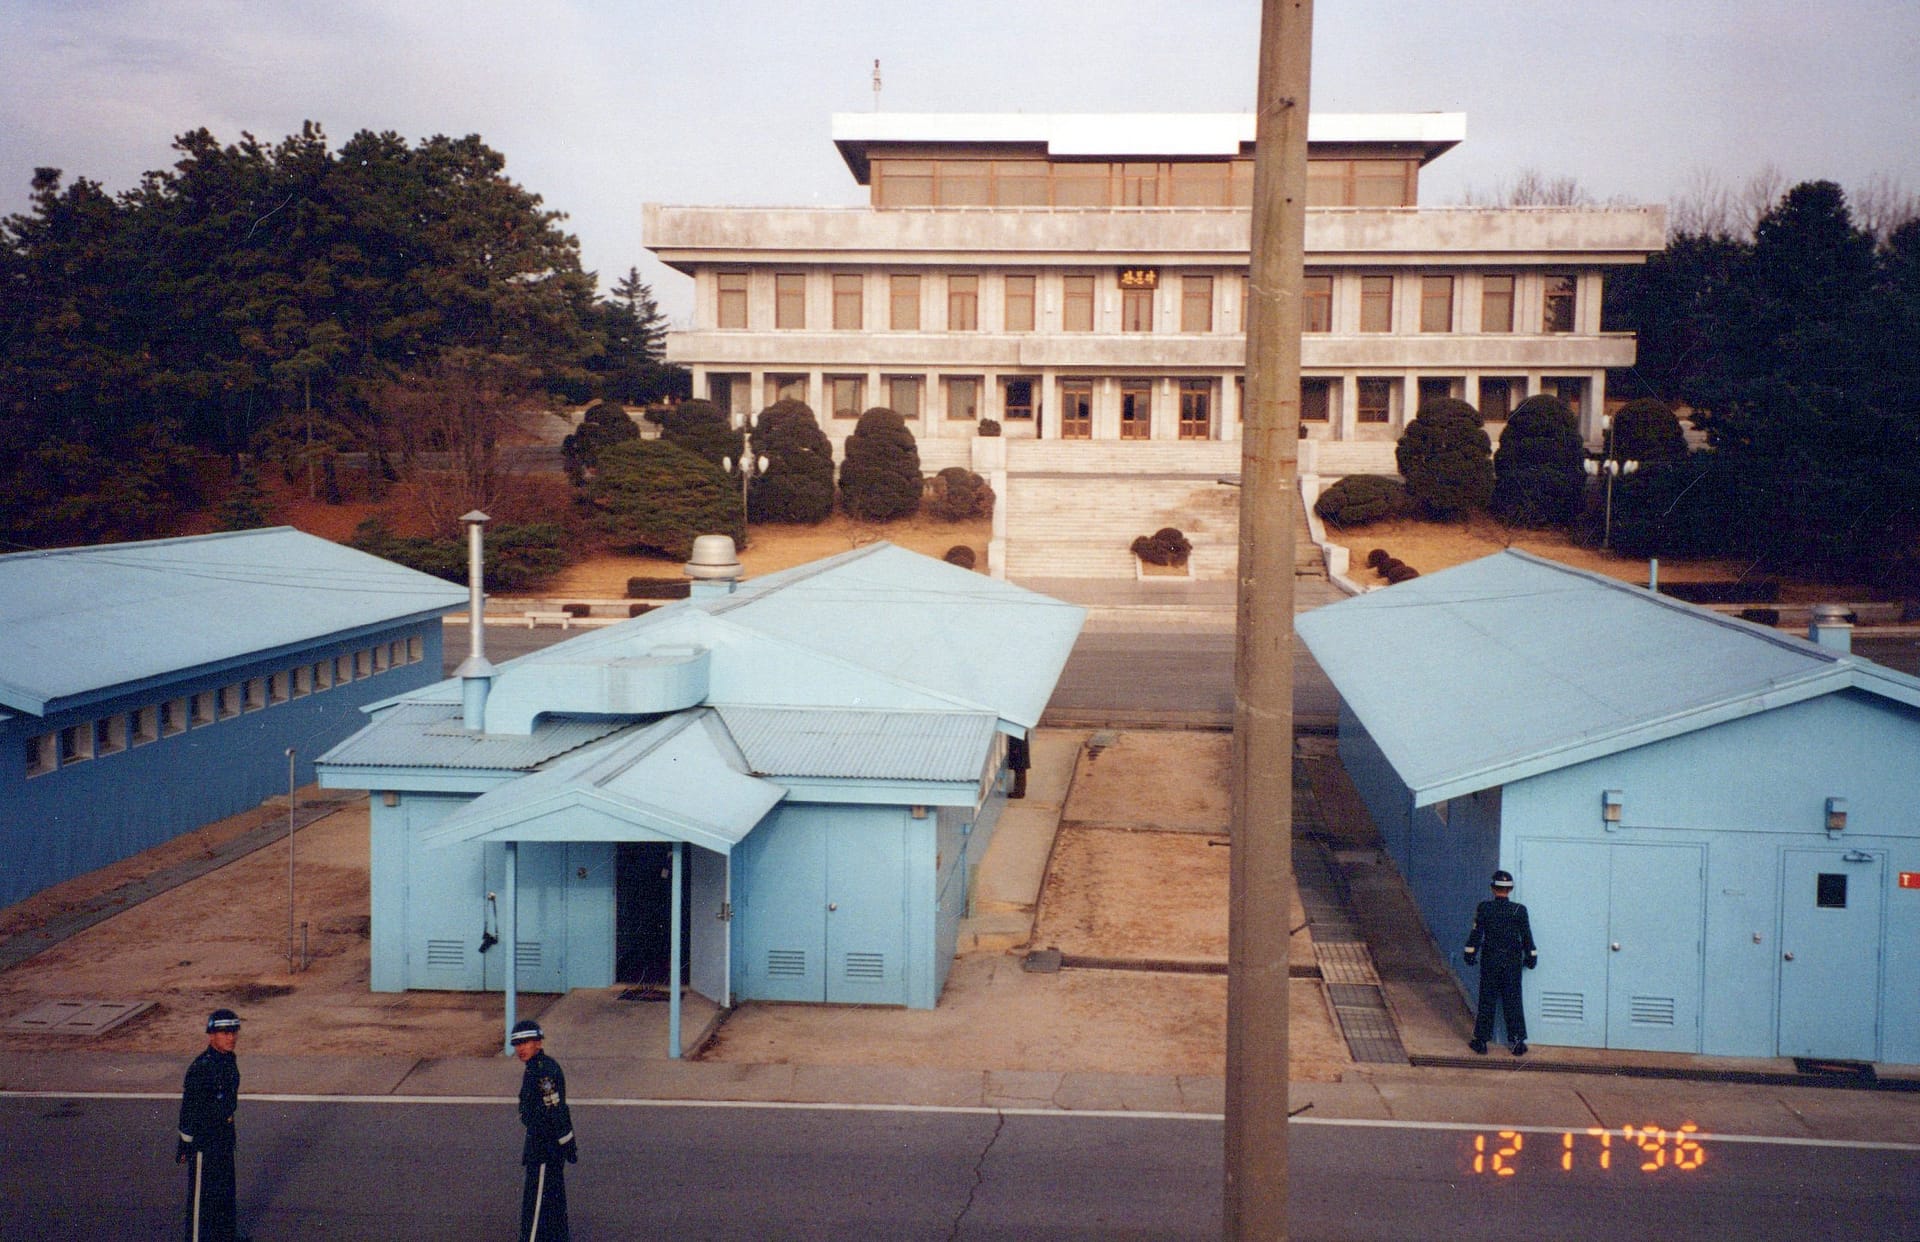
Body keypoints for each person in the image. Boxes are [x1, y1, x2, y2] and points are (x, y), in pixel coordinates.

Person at [177, 1008, 247, 1242]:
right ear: (211, 1035)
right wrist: (185, 1143)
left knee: (225, 1195)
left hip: (224, 1140)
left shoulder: (228, 1060)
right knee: (201, 1201)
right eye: (225, 1033)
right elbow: (189, 1110)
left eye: (233, 1032)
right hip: (204, 1144)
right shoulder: (201, 1068)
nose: (231, 1037)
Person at [511, 1019, 578, 1241]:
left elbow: (555, 1111)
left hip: (543, 1148)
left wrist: (565, 1141)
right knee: (554, 1200)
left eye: (526, 1042)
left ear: (539, 1043)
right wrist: (567, 1144)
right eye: (517, 1044)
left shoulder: (542, 1073)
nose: (520, 1048)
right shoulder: (540, 1067)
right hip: (551, 1147)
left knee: (536, 1203)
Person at [1463, 870, 1537, 1056]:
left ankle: (1481, 1042)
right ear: (1510, 889)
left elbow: (1476, 934)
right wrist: (1531, 956)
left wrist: (1470, 953)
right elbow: (1527, 936)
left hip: (1491, 960)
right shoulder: (1519, 910)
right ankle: (1518, 1042)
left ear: (1492, 888)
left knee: (1487, 999)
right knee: (1513, 1000)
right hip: (1512, 961)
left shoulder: (1484, 908)